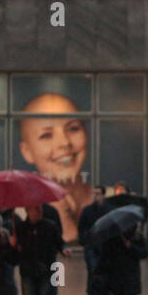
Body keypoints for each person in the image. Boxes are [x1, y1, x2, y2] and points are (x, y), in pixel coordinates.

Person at [18, 92, 93, 241]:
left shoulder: (111, 200)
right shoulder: (19, 214)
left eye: (73, 128)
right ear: (27, 152)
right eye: (46, 135)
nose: (64, 143)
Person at [12, 203, 66, 295]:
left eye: (39, 210)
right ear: (28, 211)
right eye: (34, 209)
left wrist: (64, 249)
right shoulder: (21, 228)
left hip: (45, 271)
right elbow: (15, 254)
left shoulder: (50, 226)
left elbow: (59, 242)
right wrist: (14, 245)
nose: (38, 212)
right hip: (28, 272)